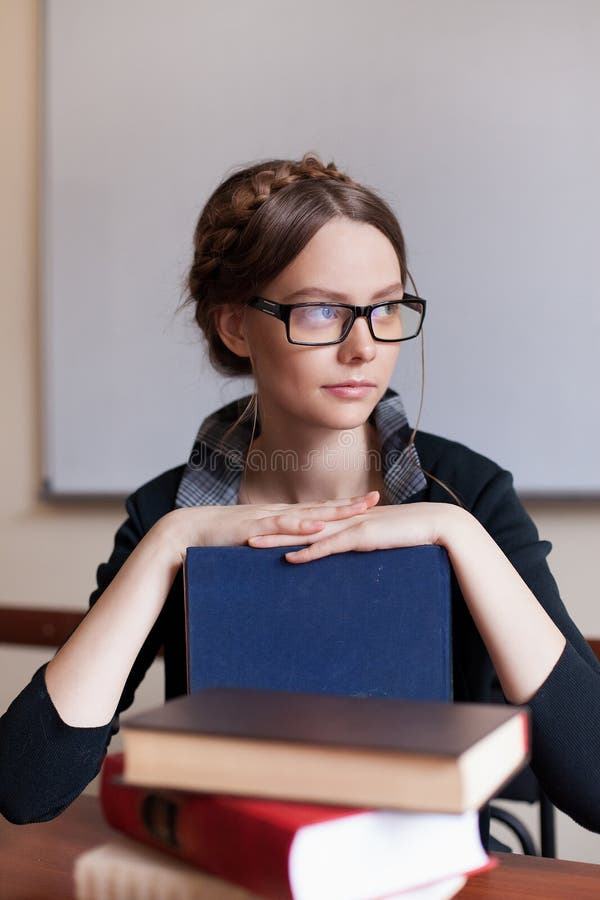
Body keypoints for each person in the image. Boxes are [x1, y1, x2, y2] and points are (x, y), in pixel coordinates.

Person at [1, 154, 599, 846]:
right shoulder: (175, 510)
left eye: (384, 309)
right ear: (233, 327)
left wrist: (459, 533)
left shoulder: (465, 492)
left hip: (427, 870)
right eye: (321, 311)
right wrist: (167, 542)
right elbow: (24, 787)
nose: (363, 347)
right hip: (234, 864)